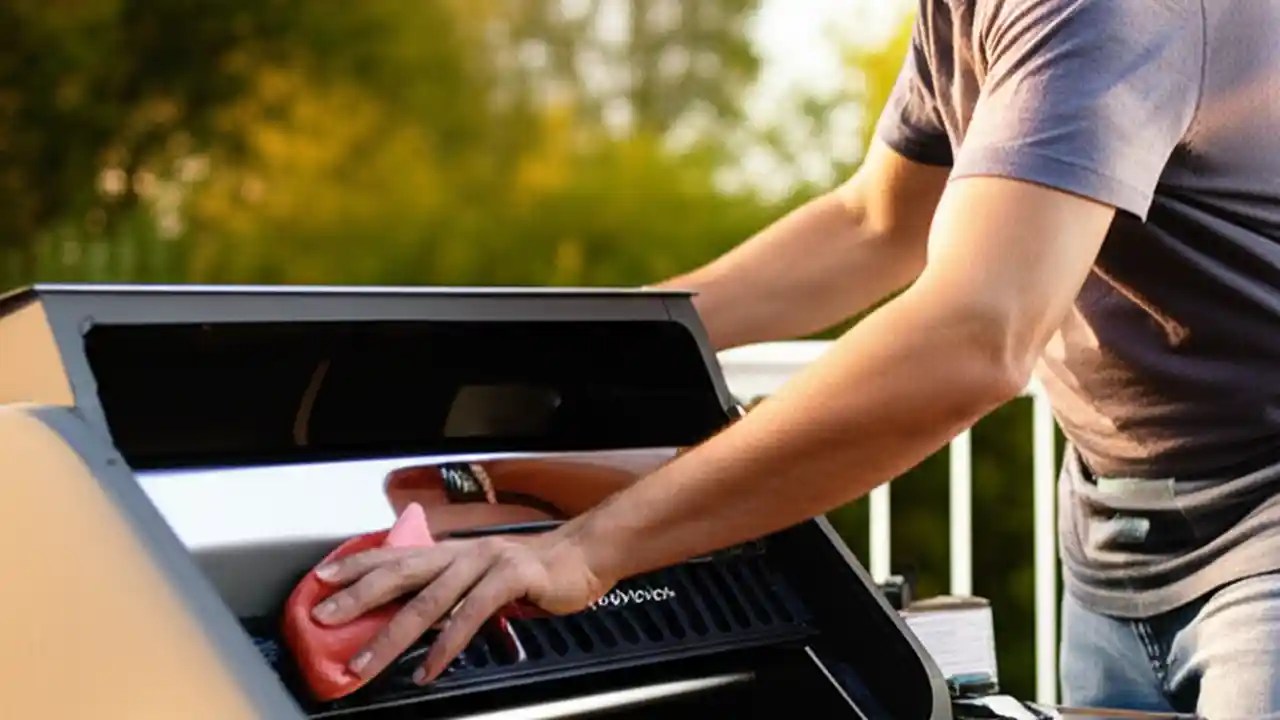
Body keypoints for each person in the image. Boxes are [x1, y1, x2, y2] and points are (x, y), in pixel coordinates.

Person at [307, 1, 1280, 715]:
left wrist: (585, 549)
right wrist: (566, 353)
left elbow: (973, 337)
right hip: (1117, 541)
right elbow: (877, 222)